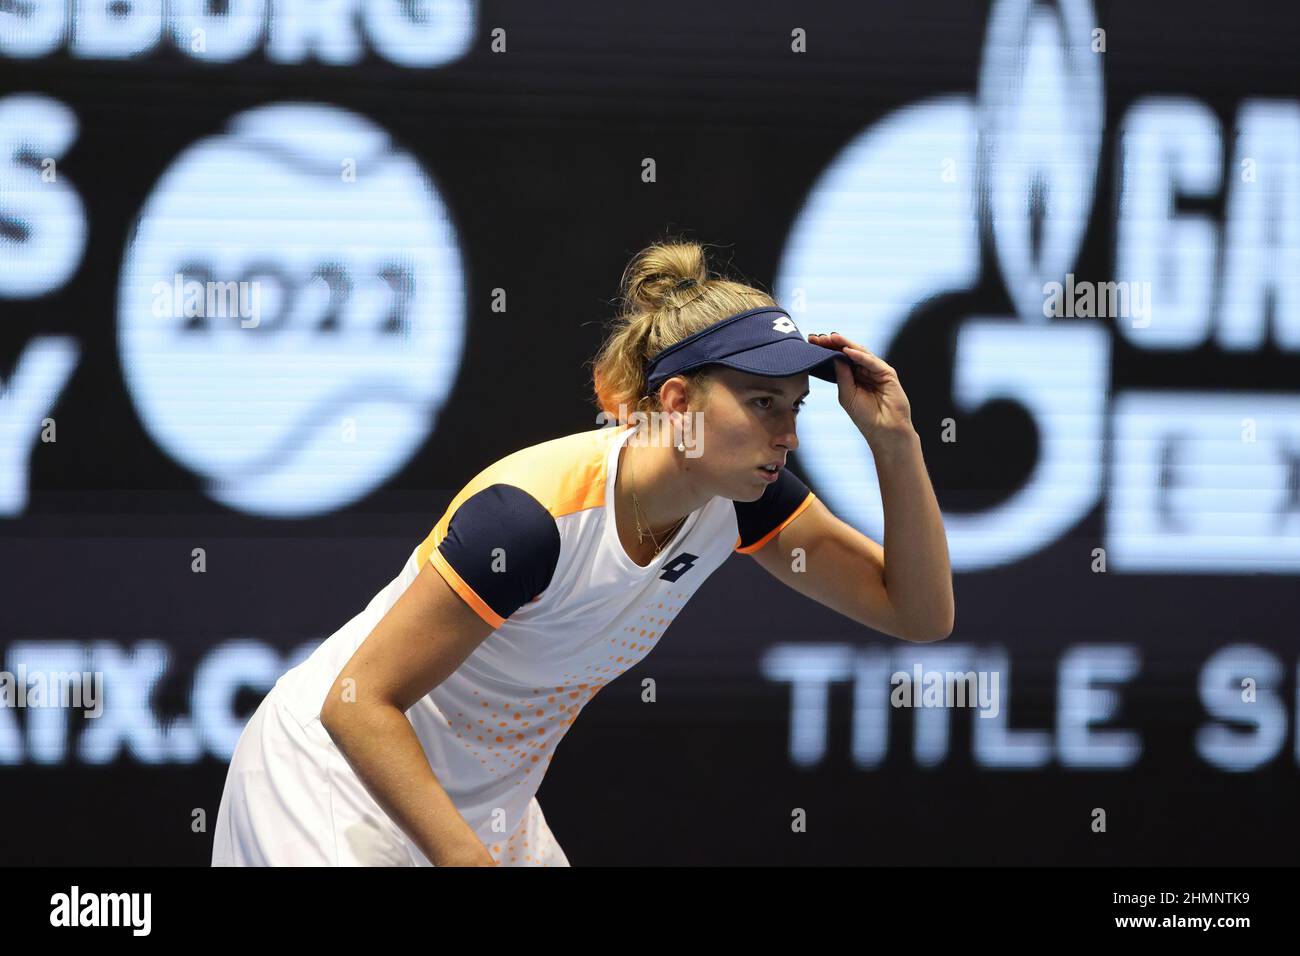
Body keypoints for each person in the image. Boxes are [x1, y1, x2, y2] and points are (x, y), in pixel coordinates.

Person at [211, 237, 954, 867]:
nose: (786, 434)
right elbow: (358, 703)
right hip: (330, 782)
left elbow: (917, 613)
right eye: (762, 403)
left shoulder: (744, 499)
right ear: (677, 403)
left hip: (487, 809)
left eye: (795, 406)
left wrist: (896, 444)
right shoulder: (528, 520)